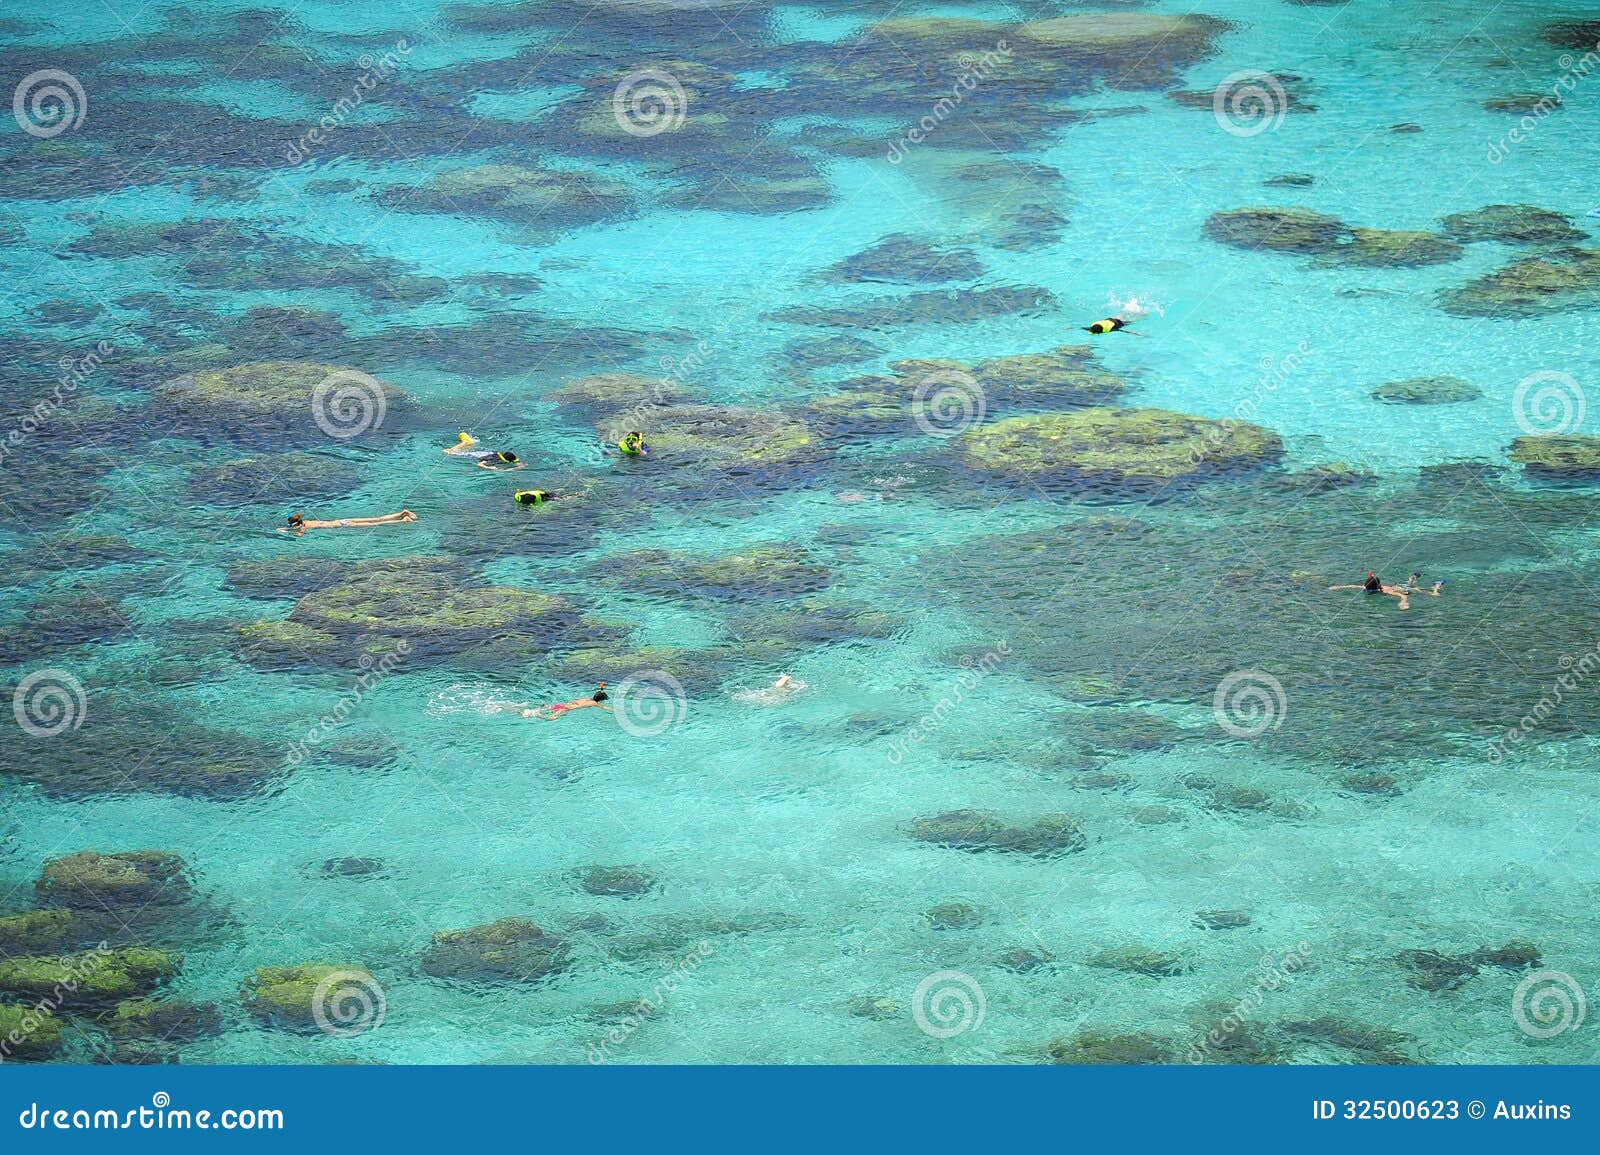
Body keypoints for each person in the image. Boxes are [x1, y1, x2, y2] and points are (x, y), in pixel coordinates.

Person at [508, 683, 610, 720]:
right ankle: (536, 715)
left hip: (561, 705)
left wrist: (601, 689)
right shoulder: (595, 703)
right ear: (601, 700)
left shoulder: (585, 699)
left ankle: (518, 710)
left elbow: (574, 700)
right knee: (552, 718)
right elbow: (605, 708)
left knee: (543, 710)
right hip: (565, 709)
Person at [282, 510, 416, 535]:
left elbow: (299, 534)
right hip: (342, 521)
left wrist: (285, 531)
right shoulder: (306, 522)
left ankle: (404, 520)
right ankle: (403, 513)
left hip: (343, 524)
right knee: (376, 518)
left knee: (375, 524)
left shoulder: (304, 527)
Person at [446, 432, 522, 470]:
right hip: (478, 455)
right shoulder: (495, 460)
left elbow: (521, 465)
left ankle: (468, 443)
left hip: (485, 453)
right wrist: (492, 468)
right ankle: (466, 443)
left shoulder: (500, 456)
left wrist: (511, 469)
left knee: (467, 450)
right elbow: (480, 464)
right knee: (448, 452)